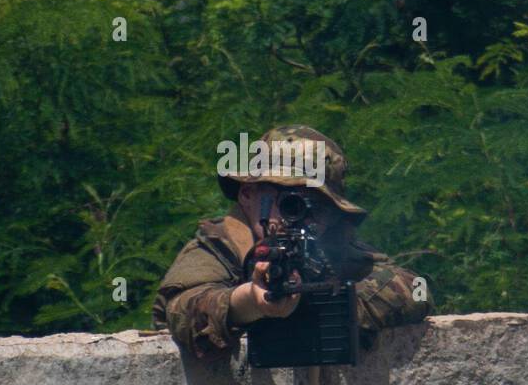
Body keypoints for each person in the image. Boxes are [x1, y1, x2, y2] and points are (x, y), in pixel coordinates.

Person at [152, 125, 431, 363]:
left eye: (318, 207)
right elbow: (180, 311)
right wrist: (250, 300)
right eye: (289, 203)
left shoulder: (328, 243)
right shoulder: (221, 245)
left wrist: (334, 304)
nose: (300, 217)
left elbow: (415, 289)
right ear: (248, 194)